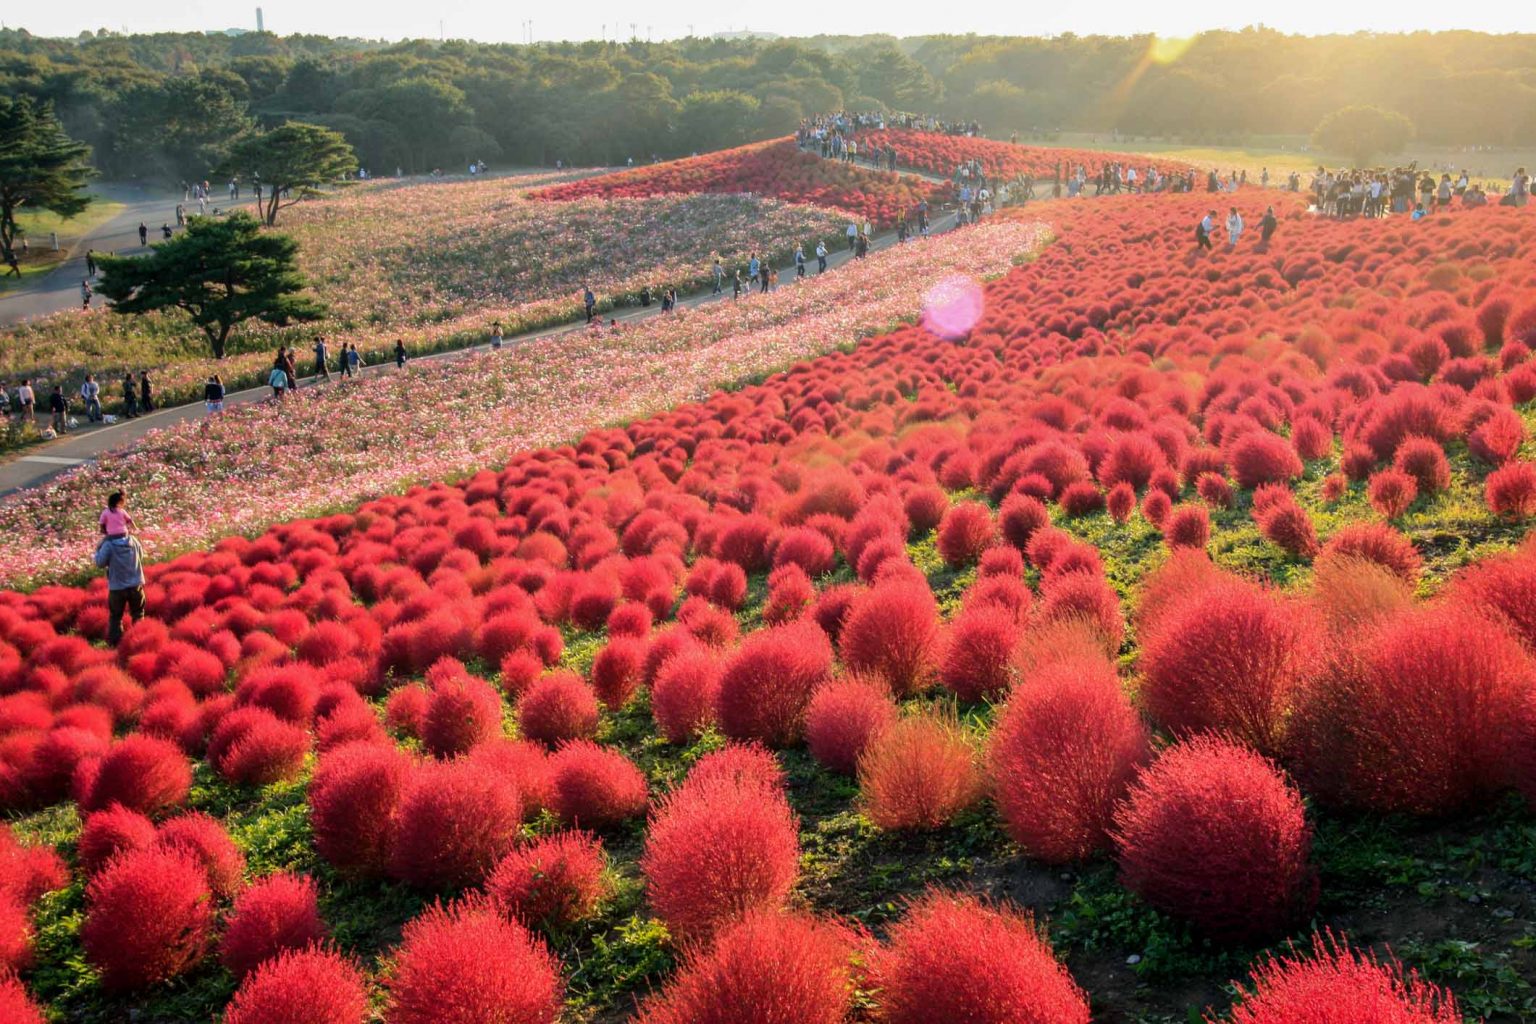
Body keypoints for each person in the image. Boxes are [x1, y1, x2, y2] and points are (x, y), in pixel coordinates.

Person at [95, 529, 146, 647]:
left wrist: (98, 549)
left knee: (116, 617)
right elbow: (141, 557)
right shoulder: (133, 541)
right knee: (138, 614)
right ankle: (140, 641)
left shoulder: (108, 545)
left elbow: (100, 563)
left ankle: (116, 645)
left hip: (117, 588)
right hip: (136, 585)